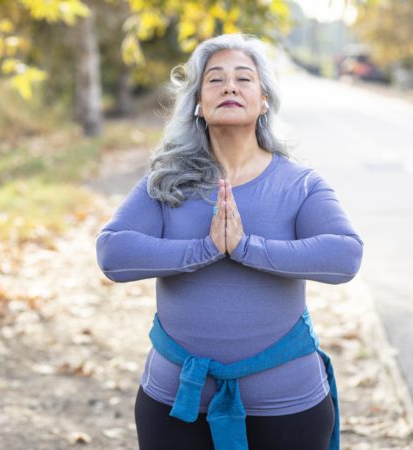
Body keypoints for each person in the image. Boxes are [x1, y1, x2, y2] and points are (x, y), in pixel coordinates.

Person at [95, 33, 364, 450]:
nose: (230, 87)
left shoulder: (301, 184)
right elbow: (113, 253)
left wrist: (246, 248)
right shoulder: (166, 182)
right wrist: (202, 250)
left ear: (264, 100)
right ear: (198, 104)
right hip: (175, 404)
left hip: (287, 405)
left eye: (244, 78)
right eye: (215, 80)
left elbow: (345, 256)